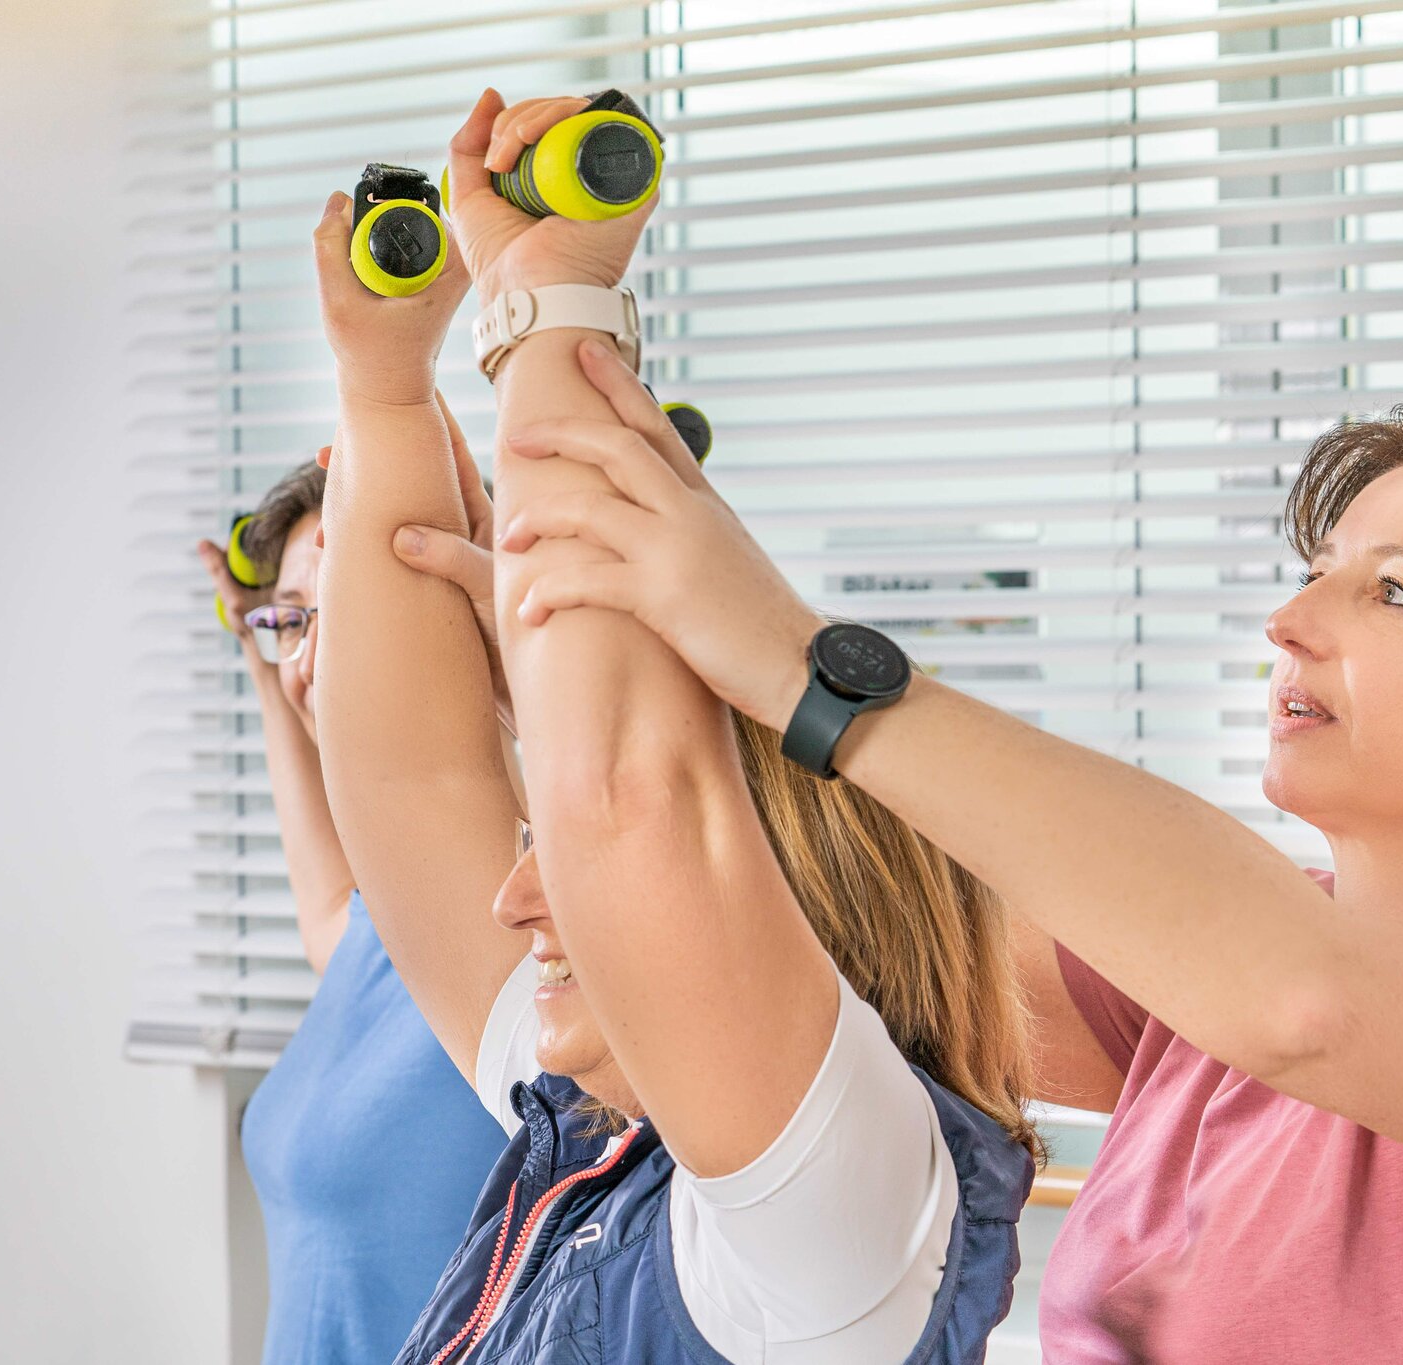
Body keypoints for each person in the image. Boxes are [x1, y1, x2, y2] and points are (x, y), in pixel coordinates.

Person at [496, 342, 1403, 1358]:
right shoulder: (1197, 996)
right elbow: (870, 918)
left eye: (1394, 592)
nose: (1289, 623)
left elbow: (1300, 999)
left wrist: (793, 662)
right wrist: (616, 607)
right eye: (1313, 575)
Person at [306, 88, 1039, 1365]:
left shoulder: (837, 1226)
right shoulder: (607, 1142)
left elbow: (631, 797)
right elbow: (408, 776)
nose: (514, 897)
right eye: (544, 851)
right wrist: (382, 390)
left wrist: (549, 305)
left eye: (564, 857)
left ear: (789, 886)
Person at [195, 460, 510, 1365]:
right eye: (291, 615)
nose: (305, 654)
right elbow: (323, 901)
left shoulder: (534, 915)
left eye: (338, 609)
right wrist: (263, 663)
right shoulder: (382, 926)